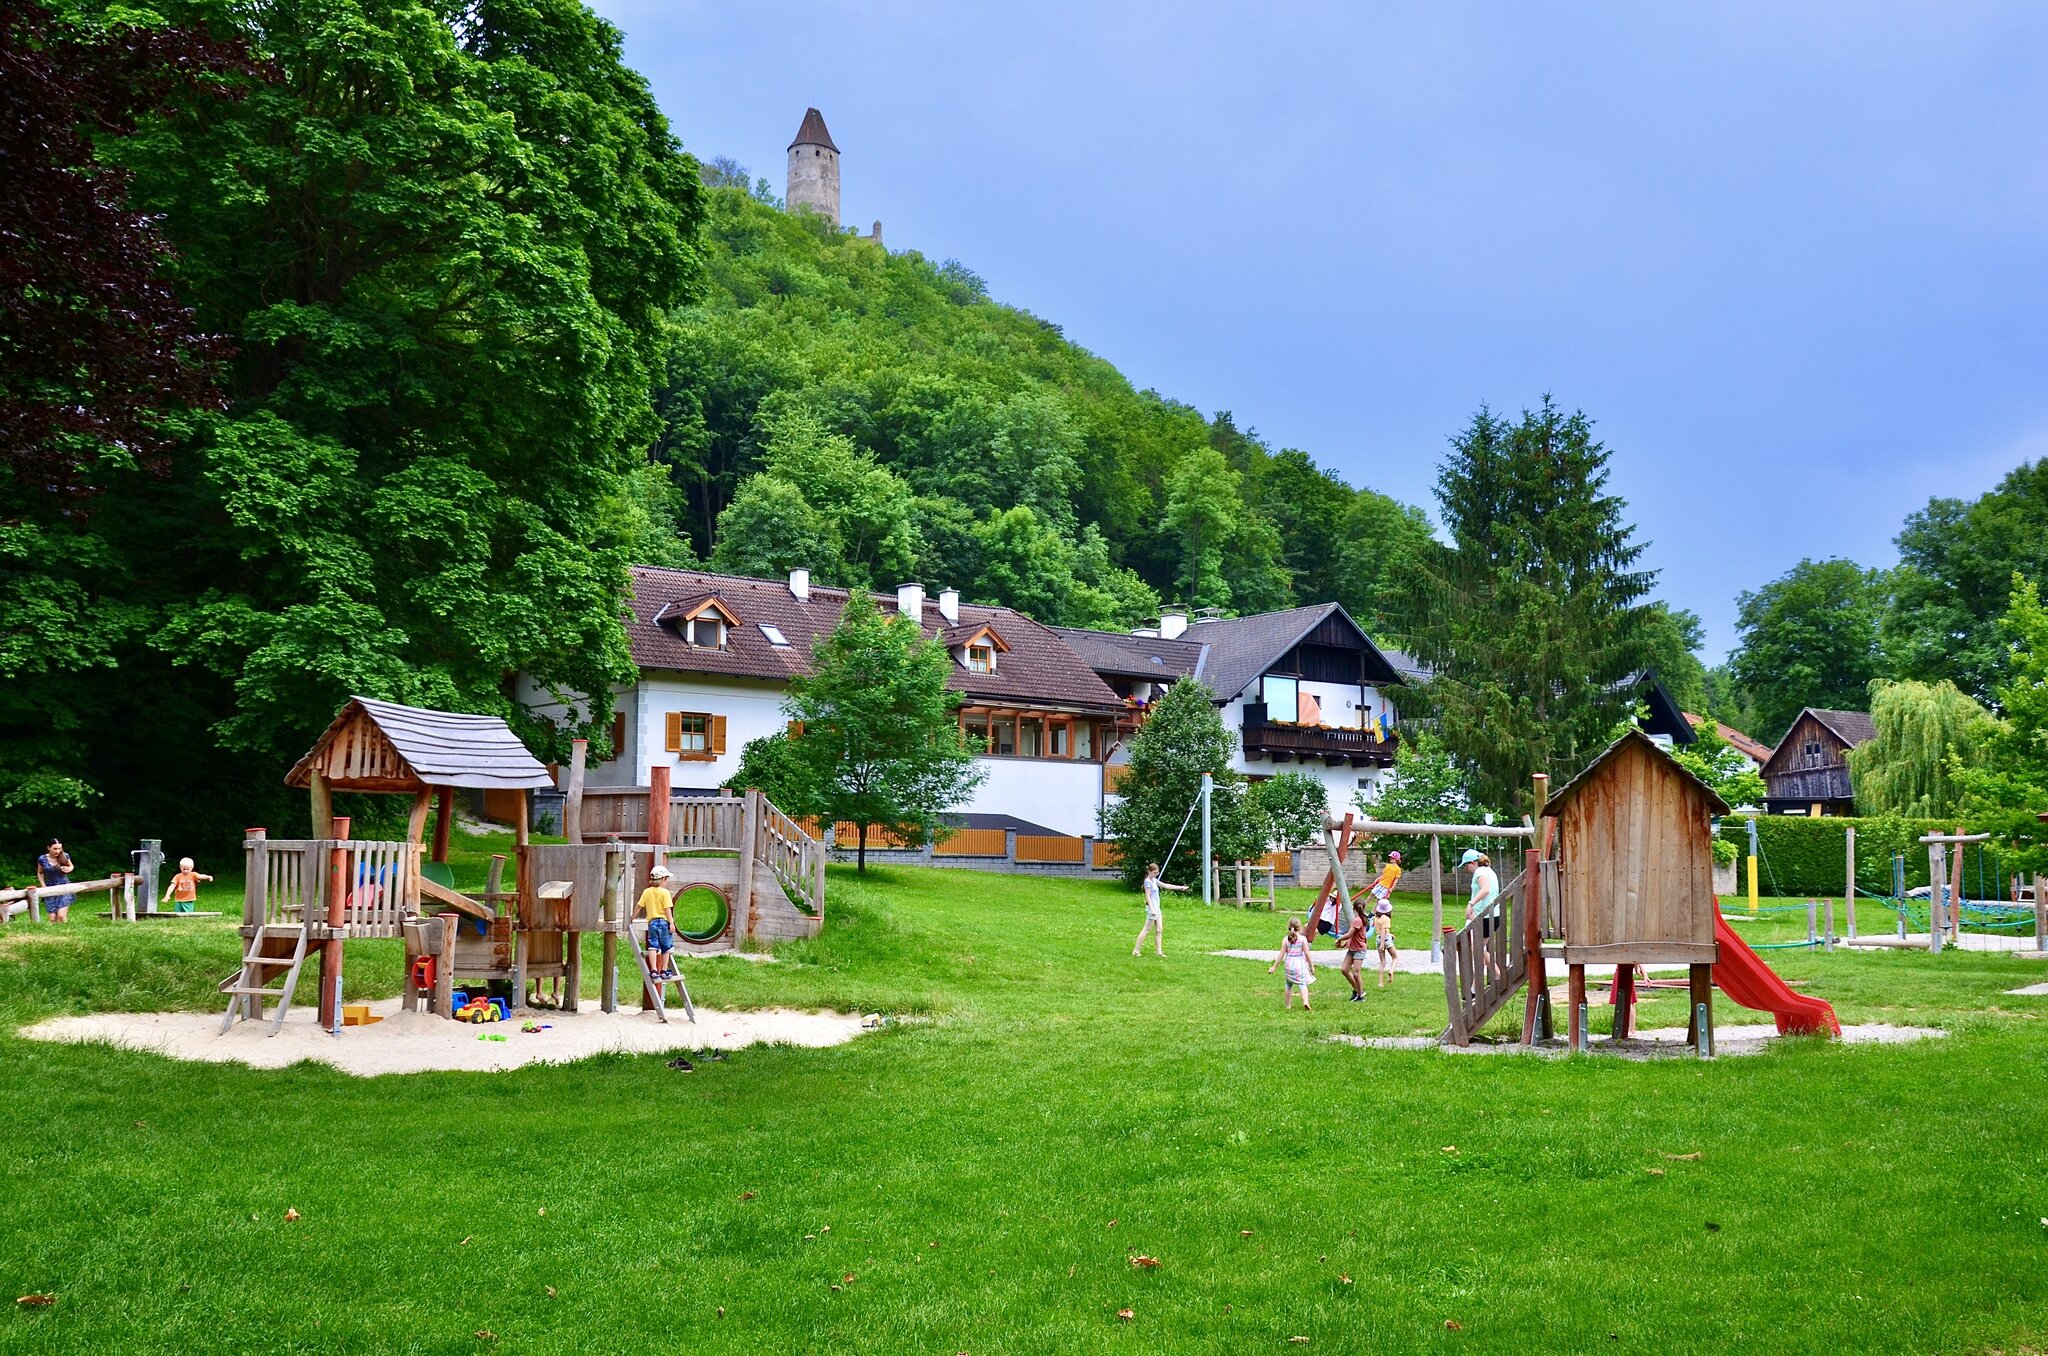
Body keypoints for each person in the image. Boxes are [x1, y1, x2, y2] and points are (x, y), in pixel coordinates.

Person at [1461, 848, 1503, 984]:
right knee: (1479, 949)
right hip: (1493, 915)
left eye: (1466, 865)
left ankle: (1495, 977)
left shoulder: (1480, 872)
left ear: (1473, 862)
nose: (1466, 869)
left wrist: (1470, 904)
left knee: (1478, 950)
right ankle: (1493, 978)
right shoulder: (1490, 871)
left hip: (1484, 917)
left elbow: (1486, 890)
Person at [1133, 863, 1187, 957]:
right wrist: (1152, 909)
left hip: (1157, 907)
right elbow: (1147, 897)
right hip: (1152, 908)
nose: (1156, 874)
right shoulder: (1147, 882)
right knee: (1146, 929)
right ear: (1149, 871)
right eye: (1154, 872)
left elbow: (1166, 886)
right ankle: (1136, 950)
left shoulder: (1154, 880)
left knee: (1159, 930)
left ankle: (1159, 952)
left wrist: (1180, 888)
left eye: (1157, 872)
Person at [636, 865, 678, 981]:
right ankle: (664, 970)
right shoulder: (665, 893)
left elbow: (638, 906)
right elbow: (667, 909)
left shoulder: (647, 892)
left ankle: (654, 970)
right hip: (664, 923)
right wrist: (671, 923)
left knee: (653, 946)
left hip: (652, 923)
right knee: (666, 947)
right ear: (663, 879)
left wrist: (631, 918)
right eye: (666, 879)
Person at [1267, 918, 1316, 1010]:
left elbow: (1281, 955)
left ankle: (1288, 1006)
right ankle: (1305, 1001)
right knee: (1302, 984)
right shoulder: (1303, 939)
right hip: (1300, 964)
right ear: (1300, 927)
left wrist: (1274, 967)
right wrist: (1311, 965)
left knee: (1288, 985)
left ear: (1288, 927)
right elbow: (1307, 953)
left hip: (1289, 964)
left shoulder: (1285, 940)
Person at [1336, 900, 1370, 1002]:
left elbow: (1349, 934)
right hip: (1352, 948)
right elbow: (1354, 935)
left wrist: (1339, 939)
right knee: (1344, 969)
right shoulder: (1360, 919)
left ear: (1353, 908)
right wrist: (1344, 944)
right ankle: (1357, 990)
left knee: (1356, 973)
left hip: (1359, 950)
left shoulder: (1358, 920)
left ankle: (1360, 996)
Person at [35, 838, 74, 923]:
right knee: (52, 918)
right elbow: (40, 873)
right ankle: (55, 931)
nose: (57, 851)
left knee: (61, 916)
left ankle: (65, 930)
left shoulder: (65, 856)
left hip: (64, 887)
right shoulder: (42, 859)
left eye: (59, 848)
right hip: (49, 888)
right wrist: (43, 886)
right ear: (49, 848)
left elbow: (71, 866)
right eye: (55, 849)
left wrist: (69, 869)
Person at [1372, 899, 1398, 988]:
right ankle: (1391, 971)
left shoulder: (1375, 918)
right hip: (1385, 939)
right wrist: (1383, 944)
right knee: (1395, 957)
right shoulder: (1386, 919)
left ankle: (1380, 982)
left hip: (1378, 938)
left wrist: (1390, 935)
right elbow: (1383, 930)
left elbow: (1380, 930)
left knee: (1382, 962)